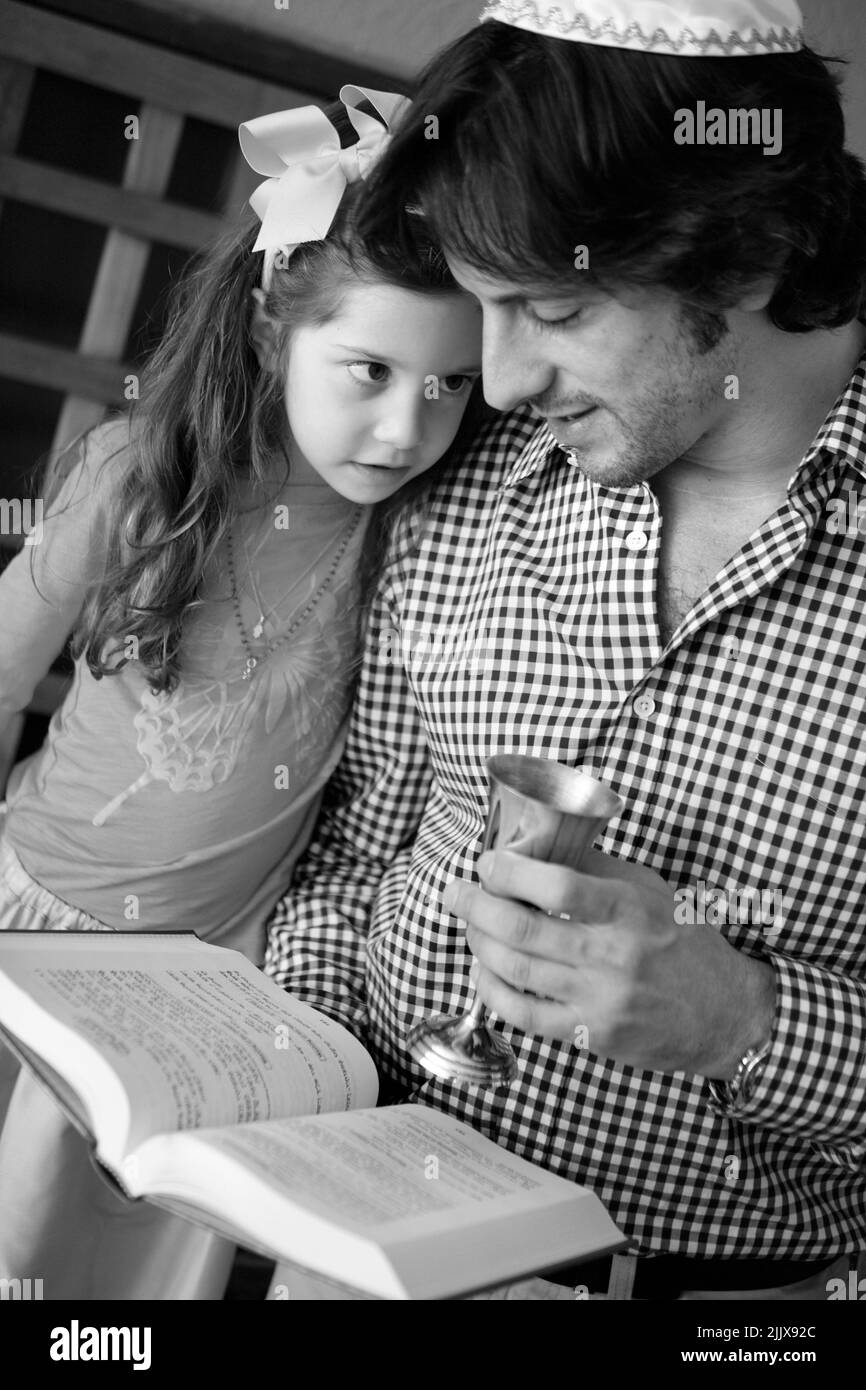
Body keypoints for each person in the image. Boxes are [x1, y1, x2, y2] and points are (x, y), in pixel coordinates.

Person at [265, 1, 866, 1300]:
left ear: (746, 249)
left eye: (549, 307)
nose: (498, 379)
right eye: (482, 308)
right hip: (351, 1222)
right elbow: (354, 844)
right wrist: (304, 1070)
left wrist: (749, 1023)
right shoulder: (465, 483)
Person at [0, 85, 484, 1299]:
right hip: (38, 925)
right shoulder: (144, 469)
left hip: (214, 977)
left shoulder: (418, 532)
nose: (400, 426)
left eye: (447, 386)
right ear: (275, 332)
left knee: (111, 1269)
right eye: (367, 369)